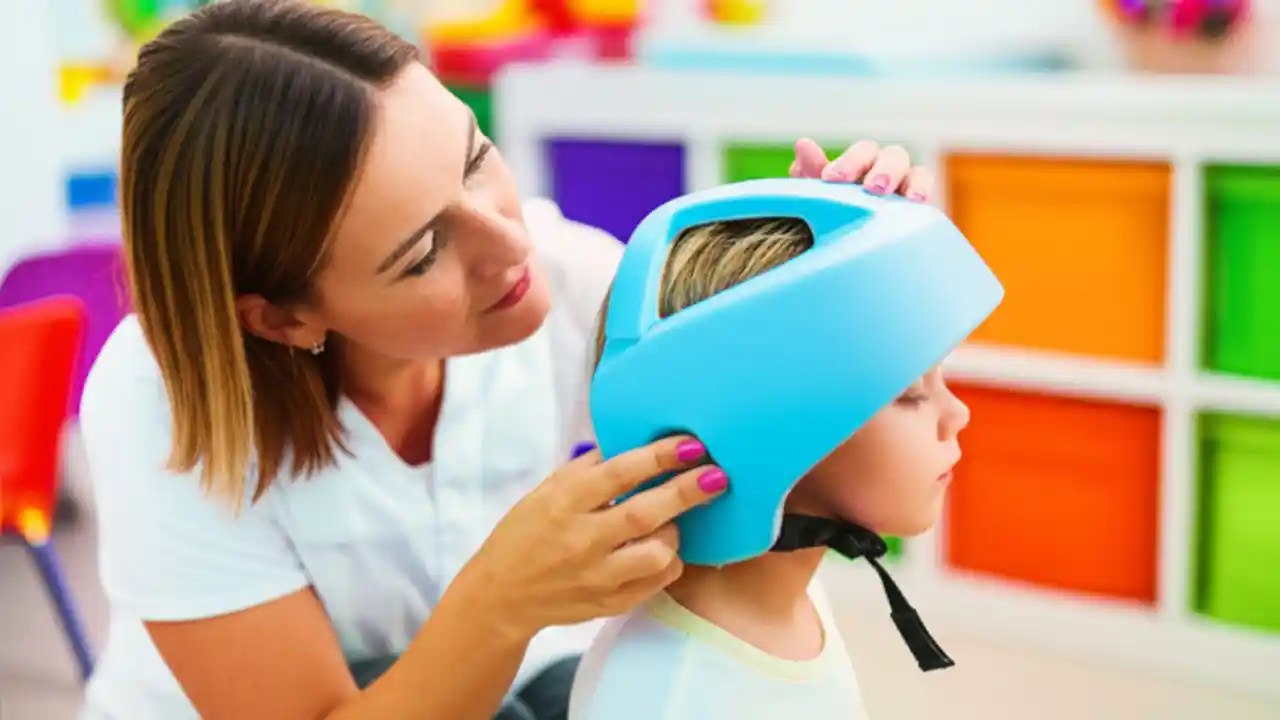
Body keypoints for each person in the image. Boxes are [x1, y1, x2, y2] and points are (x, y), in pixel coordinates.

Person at [76, 1, 938, 718]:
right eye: (422, 253)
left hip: (509, 676)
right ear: (280, 317)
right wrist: (502, 597)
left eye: (475, 158)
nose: (509, 244)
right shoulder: (159, 402)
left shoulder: (567, 271)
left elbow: (768, 383)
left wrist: (852, 258)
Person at [568, 212, 972, 718]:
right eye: (909, 392)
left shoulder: (785, 595)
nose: (958, 414)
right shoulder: (673, 698)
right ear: (764, 436)